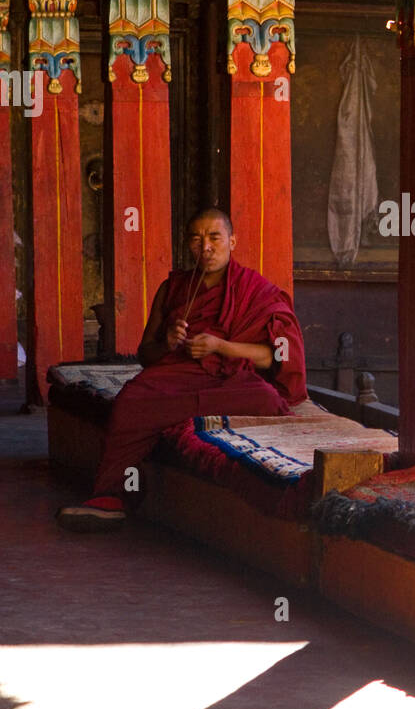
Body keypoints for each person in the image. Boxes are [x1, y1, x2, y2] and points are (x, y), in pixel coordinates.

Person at [57, 208, 307, 532]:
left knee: (269, 403)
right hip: (177, 376)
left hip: (230, 380)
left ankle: (291, 498)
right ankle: (112, 496)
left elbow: (273, 357)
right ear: (188, 245)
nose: (205, 247)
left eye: (214, 237)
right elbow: (147, 354)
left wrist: (221, 346)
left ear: (232, 241)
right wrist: (169, 344)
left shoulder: (256, 290)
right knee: (131, 401)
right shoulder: (172, 287)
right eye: (196, 239)